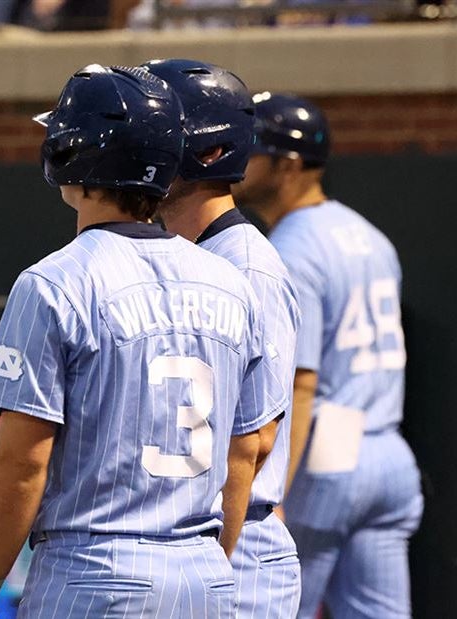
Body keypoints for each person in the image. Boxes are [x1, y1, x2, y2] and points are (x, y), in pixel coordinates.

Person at [0, 64, 279, 618]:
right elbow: (246, 449)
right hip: (202, 574)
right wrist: (212, 566)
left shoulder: (55, 281)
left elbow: (20, 463)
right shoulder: (230, 281)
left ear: (70, 155)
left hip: (95, 572)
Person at [234, 92, 424, 619]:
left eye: (252, 150)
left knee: (274, 609)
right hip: (388, 452)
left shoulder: (292, 248)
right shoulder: (369, 234)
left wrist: (275, 491)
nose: (237, 161)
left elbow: (300, 384)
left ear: (288, 164)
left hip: (328, 456)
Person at [145, 59, 302, 618]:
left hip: (236, 550)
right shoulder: (185, 254)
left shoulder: (246, 264)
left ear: (208, 152)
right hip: (194, 542)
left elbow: (250, 444)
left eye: (158, 135)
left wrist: (210, 571)